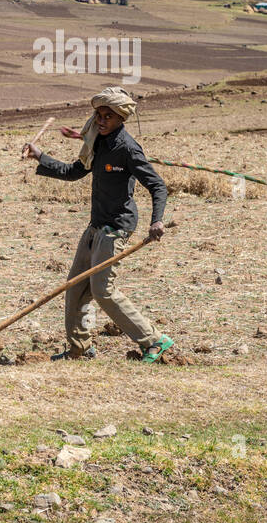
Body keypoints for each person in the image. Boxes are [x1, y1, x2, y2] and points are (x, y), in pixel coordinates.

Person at [22, 86, 174, 363]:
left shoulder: (127, 148)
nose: (101, 121)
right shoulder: (98, 143)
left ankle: (153, 340)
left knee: (103, 290)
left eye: (108, 116)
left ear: (120, 119)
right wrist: (41, 156)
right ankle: (80, 349)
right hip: (96, 226)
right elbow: (73, 172)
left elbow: (157, 186)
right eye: (99, 115)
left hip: (116, 228)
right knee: (75, 287)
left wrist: (158, 220)